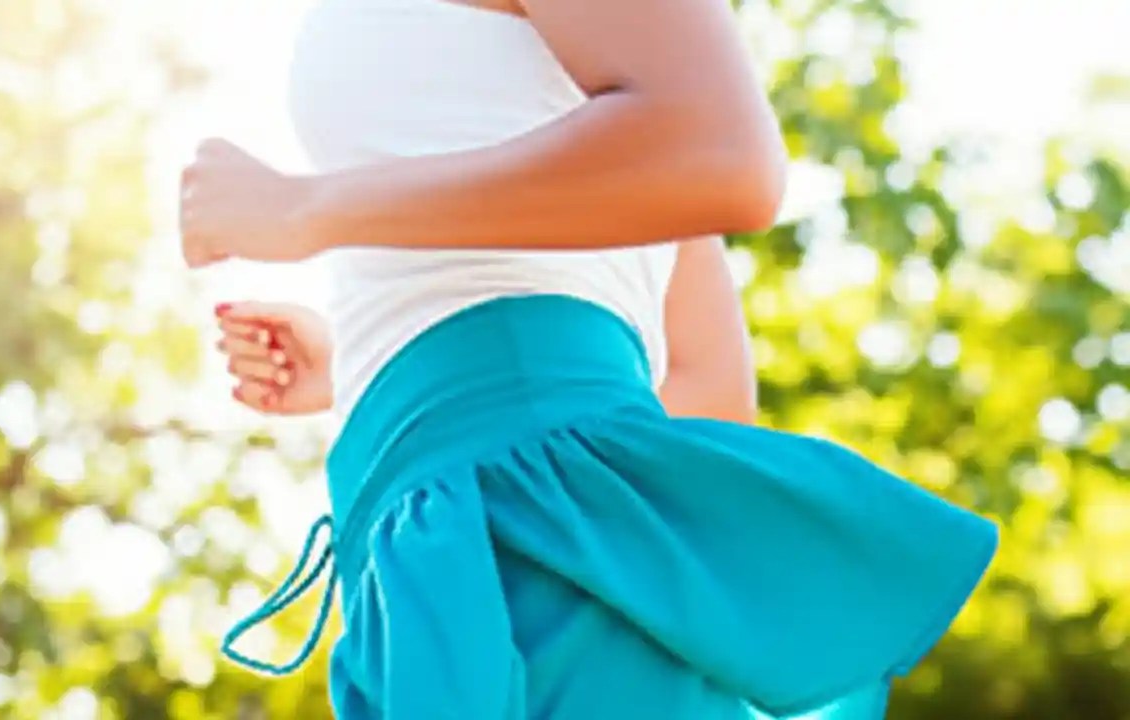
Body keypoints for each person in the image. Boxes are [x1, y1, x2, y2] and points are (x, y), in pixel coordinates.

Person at [178, 0, 999, 717]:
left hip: (521, 549)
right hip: (438, 553)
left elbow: (720, 151)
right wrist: (370, 364)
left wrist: (305, 209)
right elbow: (706, 390)